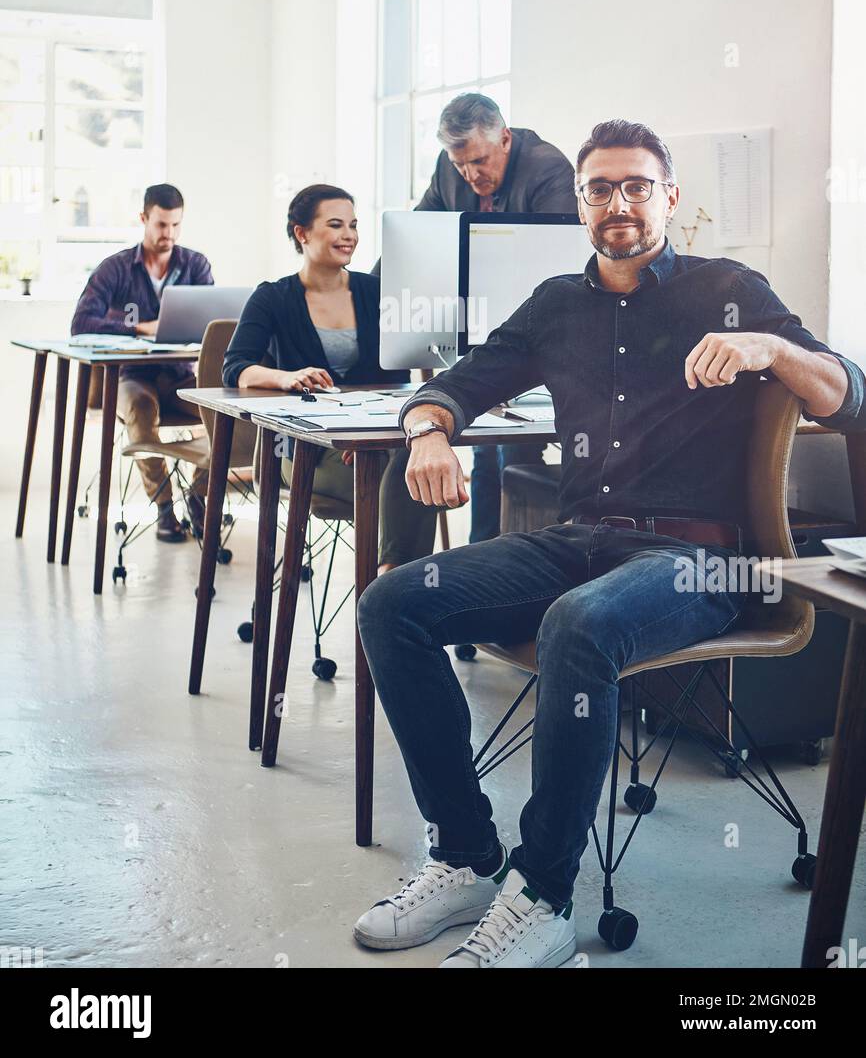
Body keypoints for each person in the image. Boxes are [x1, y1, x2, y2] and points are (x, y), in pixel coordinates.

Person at [352, 118, 866, 968]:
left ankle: (543, 898)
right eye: (600, 188)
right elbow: (459, 383)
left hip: (702, 561)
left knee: (579, 624)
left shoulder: (728, 287)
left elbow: (848, 397)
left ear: (669, 197)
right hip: (578, 537)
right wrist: (427, 431)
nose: (617, 203)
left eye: (636, 186)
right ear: (580, 203)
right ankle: (468, 855)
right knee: (393, 602)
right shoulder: (557, 304)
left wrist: (770, 347)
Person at [222, 184, 437, 573]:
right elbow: (236, 367)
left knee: (422, 456)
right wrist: (286, 377)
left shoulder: (375, 292)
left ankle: (389, 579)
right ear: (301, 233)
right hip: (307, 449)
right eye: (336, 225)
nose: (349, 235)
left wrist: (364, 436)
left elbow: (397, 374)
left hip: (373, 440)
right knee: (407, 472)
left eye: (353, 225)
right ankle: (395, 588)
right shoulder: (272, 297)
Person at [407, 91, 579, 544]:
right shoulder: (451, 168)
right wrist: (366, 293)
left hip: (541, 328)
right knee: (483, 441)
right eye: (461, 164)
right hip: (481, 326)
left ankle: (516, 552)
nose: (470, 174)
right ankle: (482, 553)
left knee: (505, 448)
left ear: (504, 138)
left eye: (479, 161)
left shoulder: (548, 169)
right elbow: (416, 236)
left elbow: (559, 268)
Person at [70, 183, 213, 543]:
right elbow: (81, 323)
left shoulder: (195, 265)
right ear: (144, 219)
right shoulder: (116, 268)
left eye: (176, 225)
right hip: (131, 377)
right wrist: (137, 330)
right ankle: (164, 508)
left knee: (224, 413)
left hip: (181, 375)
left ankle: (198, 498)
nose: (169, 234)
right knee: (140, 407)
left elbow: (211, 323)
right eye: (162, 225)